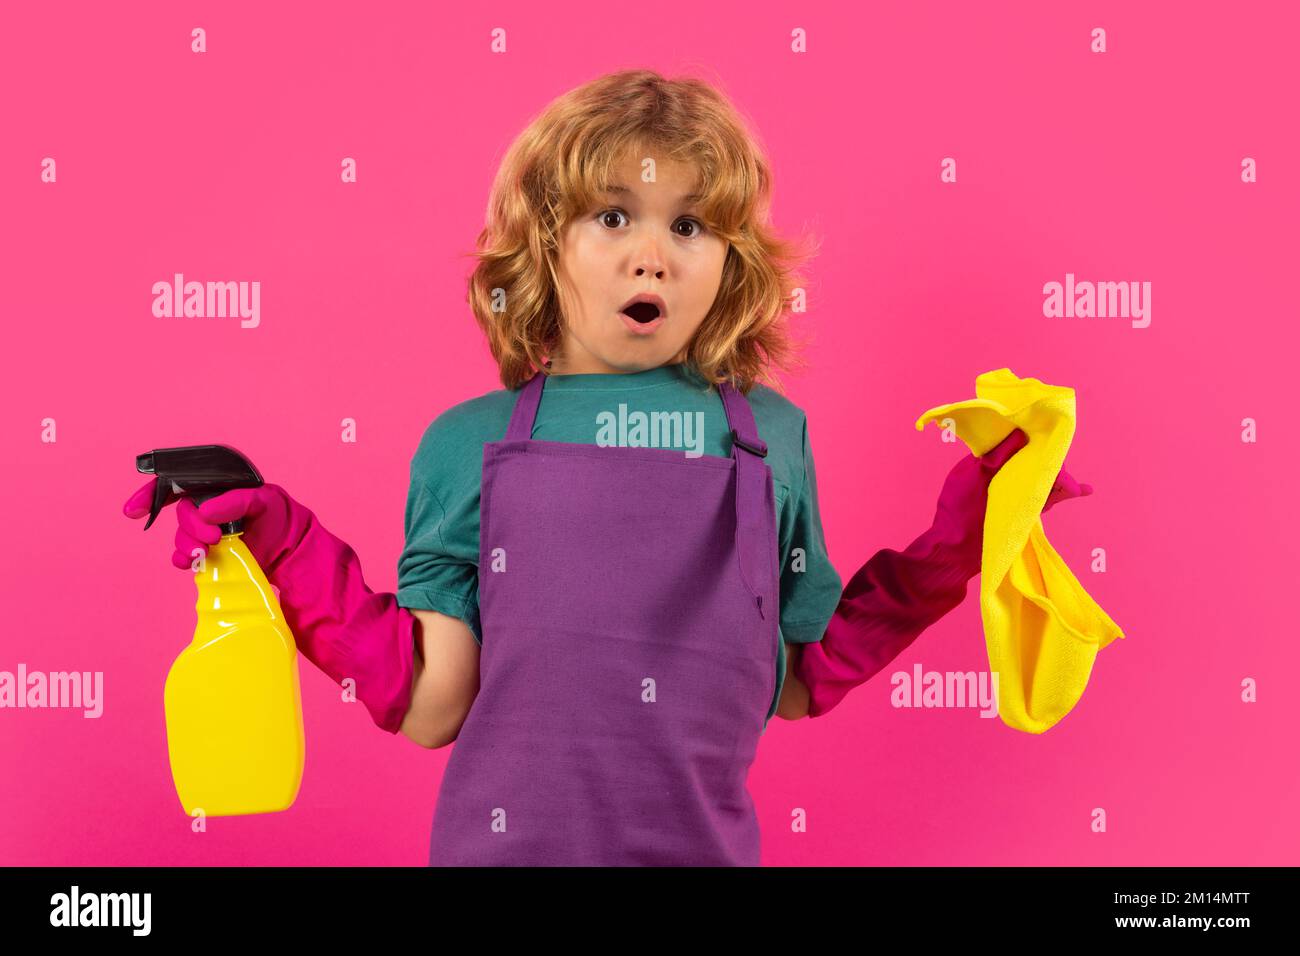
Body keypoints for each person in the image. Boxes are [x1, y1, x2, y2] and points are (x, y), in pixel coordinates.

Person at [123, 69, 1089, 866]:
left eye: (690, 225)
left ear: (730, 262)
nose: (653, 259)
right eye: (614, 217)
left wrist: (967, 537)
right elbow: (429, 704)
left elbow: (802, 676)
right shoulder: (470, 443)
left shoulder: (770, 439)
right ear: (547, 248)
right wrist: (282, 542)